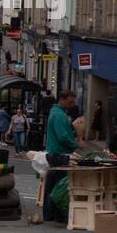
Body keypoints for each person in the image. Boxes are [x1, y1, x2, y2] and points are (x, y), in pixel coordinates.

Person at [38, 90, 86, 224]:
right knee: (59, 187)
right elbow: (62, 137)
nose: (72, 104)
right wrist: (76, 145)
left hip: (55, 153)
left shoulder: (58, 113)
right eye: (70, 102)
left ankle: (50, 214)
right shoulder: (59, 115)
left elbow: (64, 133)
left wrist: (74, 129)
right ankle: (56, 214)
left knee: (53, 185)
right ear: (62, 100)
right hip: (59, 154)